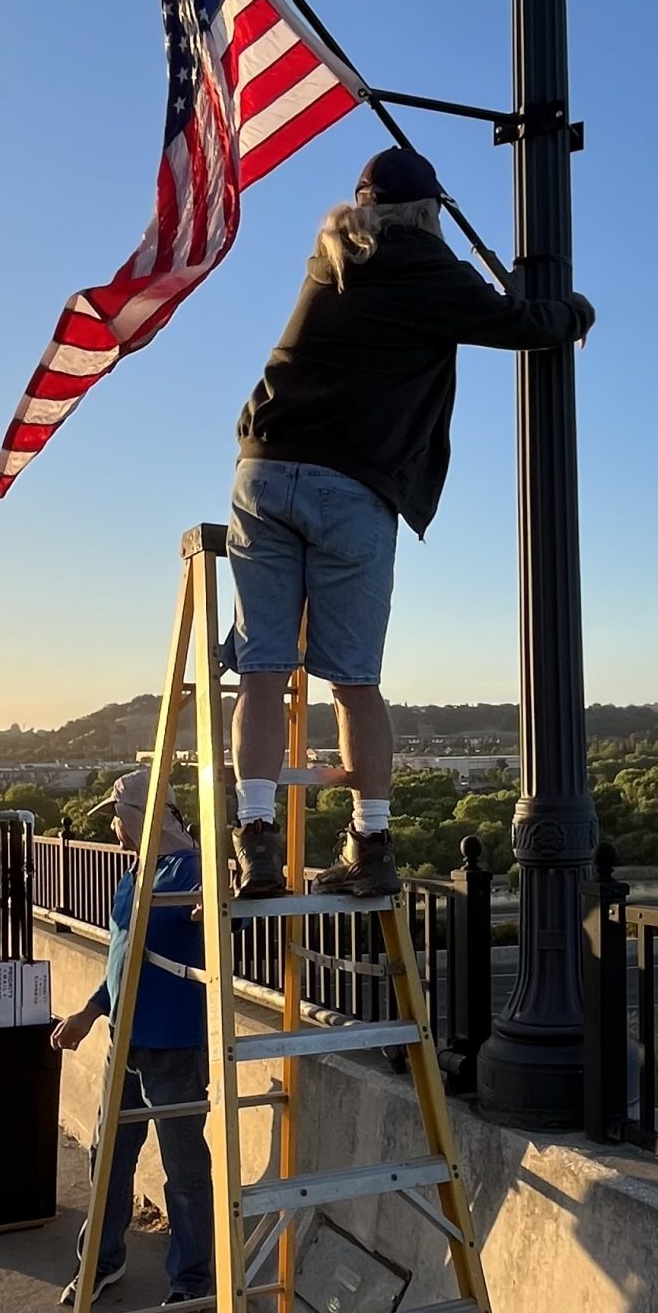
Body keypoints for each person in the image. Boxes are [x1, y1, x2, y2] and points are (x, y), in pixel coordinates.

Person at [228, 145, 593, 899]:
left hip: (261, 470)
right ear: (428, 214)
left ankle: (256, 841)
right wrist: (575, 308)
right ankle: (371, 841)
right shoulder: (429, 269)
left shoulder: (327, 261)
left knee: (263, 669)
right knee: (354, 681)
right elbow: (524, 323)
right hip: (352, 484)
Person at [50, 767, 211, 1313]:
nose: (112, 829)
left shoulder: (193, 870)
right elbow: (123, 959)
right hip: (125, 1044)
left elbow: (219, 924)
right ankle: (101, 1261)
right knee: (109, 1159)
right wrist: (90, 1013)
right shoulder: (136, 872)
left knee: (183, 1171)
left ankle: (192, 1282)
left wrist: (211, 913)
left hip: (171, 1046)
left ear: (140, 817)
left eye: (117, 817)